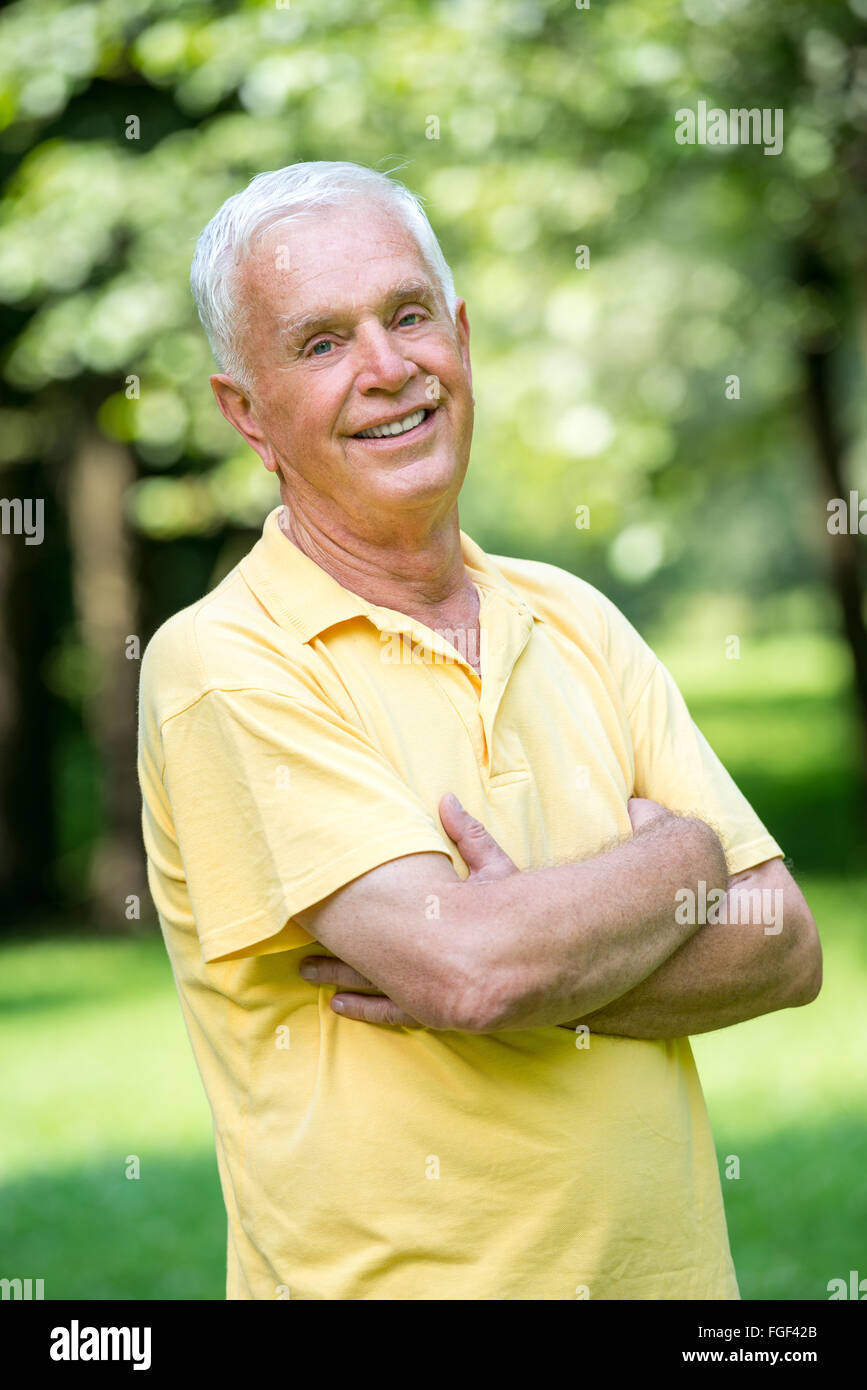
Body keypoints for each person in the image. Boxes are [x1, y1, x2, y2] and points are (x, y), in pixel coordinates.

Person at [137, 161, 822, 1300]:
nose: (387, 367)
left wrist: (534, 951)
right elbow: (468, 967)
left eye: (408, 316)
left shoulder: (576, 618)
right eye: (320, 343)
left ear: (460, 335)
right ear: (246, 412)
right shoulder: (224, 663)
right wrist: (679, 861)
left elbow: (785, 944)